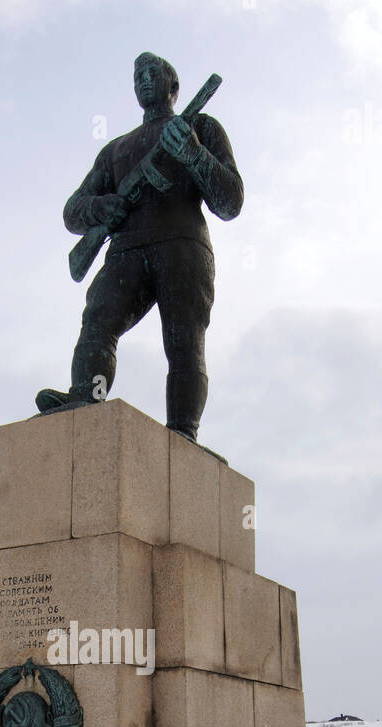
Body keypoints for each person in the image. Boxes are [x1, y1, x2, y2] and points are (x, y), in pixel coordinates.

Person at [36, 53, 243, 443]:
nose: (144, 80)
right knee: (97, 322)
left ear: (173, 85)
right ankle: (85, 397)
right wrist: (102, 206)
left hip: (183, 246)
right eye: (138, 76)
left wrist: (194, 155)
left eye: (153, 73)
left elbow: (230, 201)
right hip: (126, 249)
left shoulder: (198, 126)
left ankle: (183, 432)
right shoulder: (116, 149)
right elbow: (72, 211)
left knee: (183, 341)